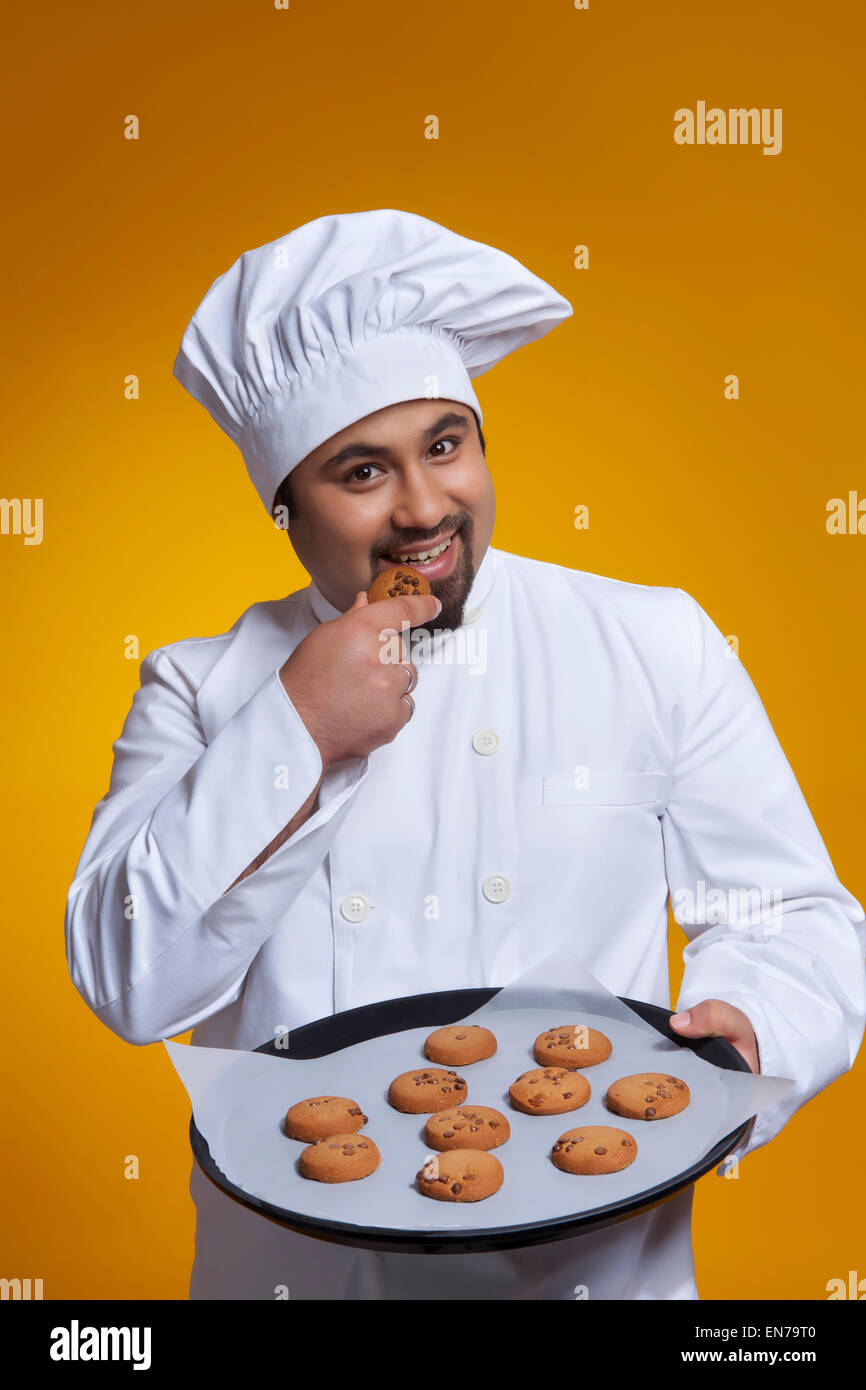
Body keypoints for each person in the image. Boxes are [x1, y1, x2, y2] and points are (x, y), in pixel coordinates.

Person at [65, 209, 866, 1300]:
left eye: (445, 444)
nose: (425, 507)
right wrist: (297, 727)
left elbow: (795, 915)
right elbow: (128, 982)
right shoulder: (202, 687)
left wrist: (749, 1024)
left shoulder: (649, 640)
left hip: (592, 1277)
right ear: (283, 503)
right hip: (307, 1281)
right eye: (361, 471)